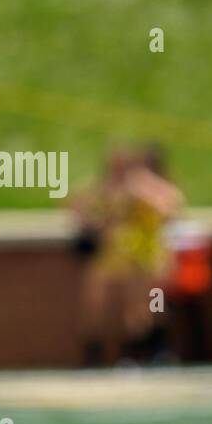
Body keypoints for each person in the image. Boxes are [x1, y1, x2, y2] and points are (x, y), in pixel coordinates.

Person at [70, 146, 184, 365]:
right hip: (115, 255)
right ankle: (102, 354)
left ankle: (151, 350)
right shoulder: (105, 189)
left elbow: (171, 209)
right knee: (101, 305)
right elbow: (77, 204)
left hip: (147, 256)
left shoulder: (147, 188)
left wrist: (140, 190)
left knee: (151, 305)